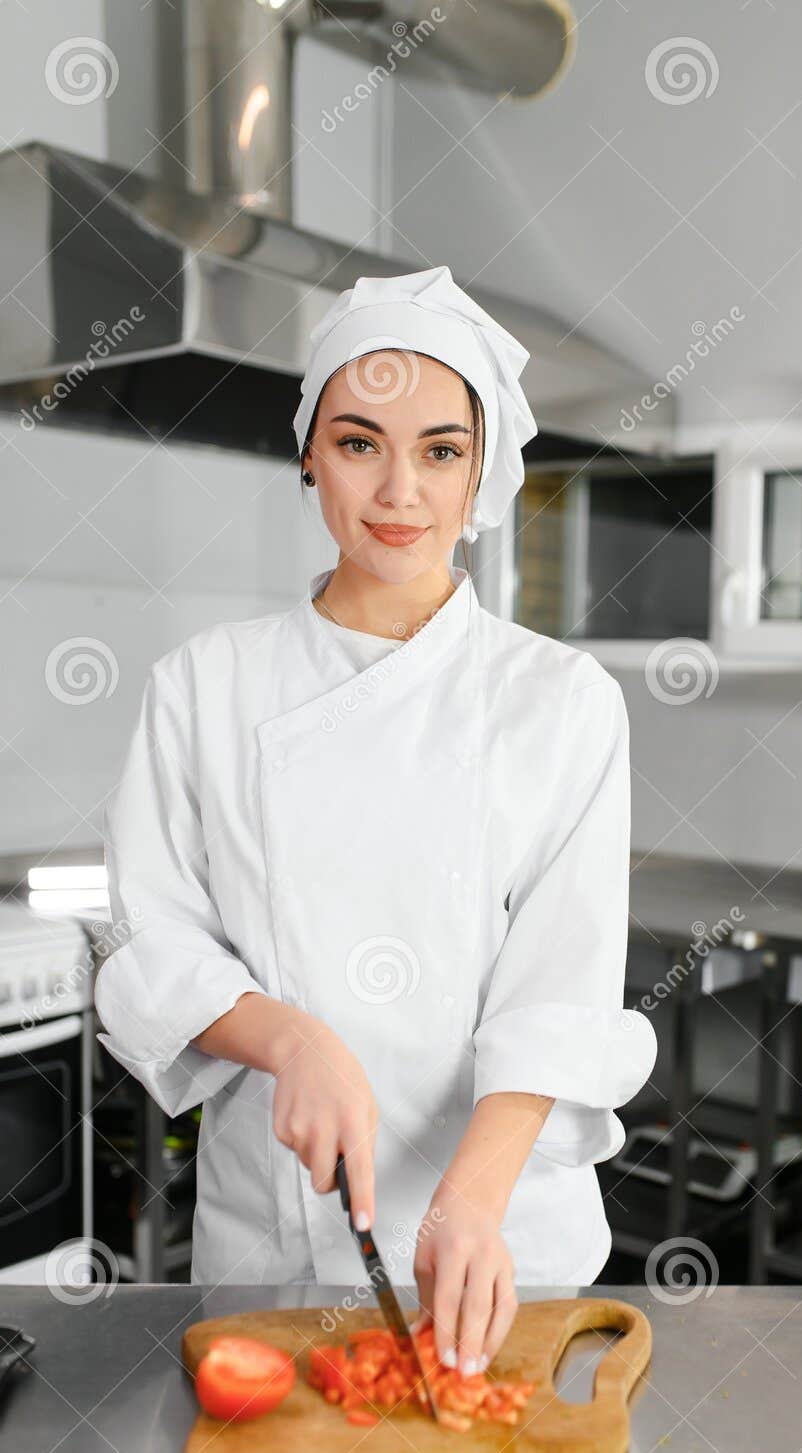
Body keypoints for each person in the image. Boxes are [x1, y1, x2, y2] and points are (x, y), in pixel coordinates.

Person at [94, 264, 657, 1376]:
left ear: (481, 471)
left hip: (499, 1246)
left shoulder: (561, 700)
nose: (400, 491)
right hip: (280, 1244)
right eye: (360, 443)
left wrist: (470, 1201)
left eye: (441, 451)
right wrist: (288, 1037)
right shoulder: (205, 685)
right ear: (309, 453)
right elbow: (149, 941)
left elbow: (560, 989)